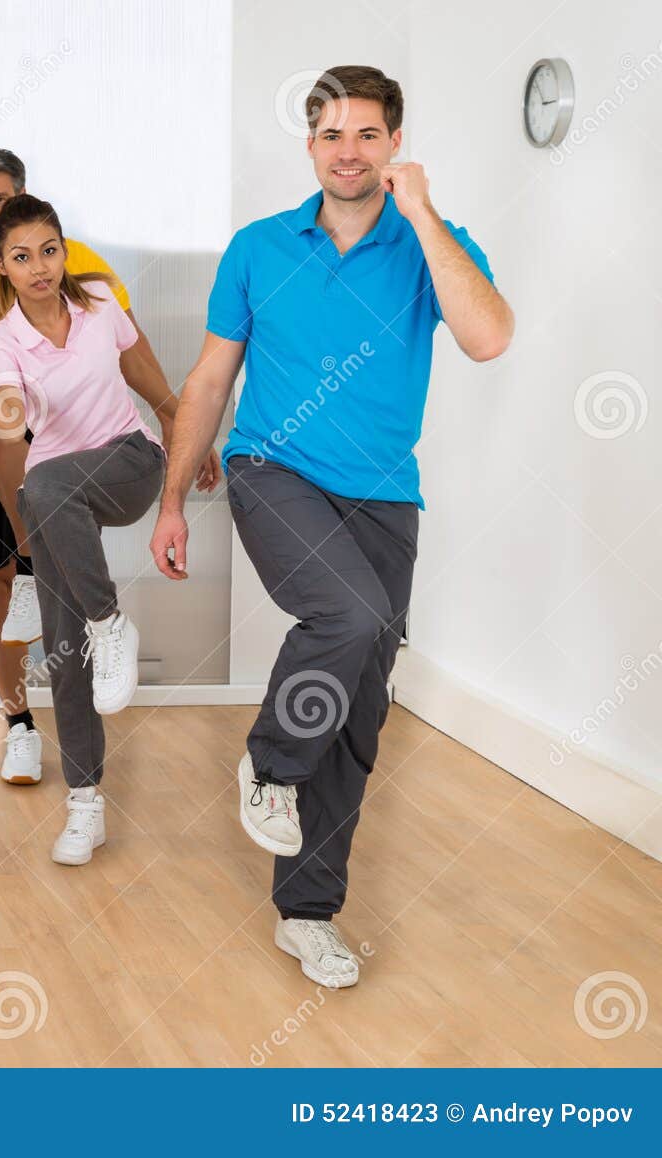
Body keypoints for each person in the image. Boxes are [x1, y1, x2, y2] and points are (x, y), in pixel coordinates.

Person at [151, 66, 512, 988]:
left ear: (394, 144)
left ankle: (307, 912)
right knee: (346, 617)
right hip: (273, 468)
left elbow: (488, 336)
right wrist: (169, 498)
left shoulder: (432, 245)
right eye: (331, 135)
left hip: (387, 493)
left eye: (366, 135)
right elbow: (207, 379)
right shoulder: (260, 247)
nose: (348, 151)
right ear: (308, 145)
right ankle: (269, 765)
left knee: (359, 706)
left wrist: (425, 217)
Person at [0, 194, 219, 865]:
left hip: (130, 464)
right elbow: (3, 415)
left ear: (63, 249)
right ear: (2, 266)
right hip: (57, 502)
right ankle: (86, 803)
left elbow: (146, 376)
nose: (40, 268)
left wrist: (188, 432)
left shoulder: (101, 306)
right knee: (61, 644)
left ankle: (110, 623)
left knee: (44, 484)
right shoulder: (1, 342)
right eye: (21, 257)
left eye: (49, 251)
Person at [0, 148, 170, 785]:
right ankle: (20, 728)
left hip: (91, 453)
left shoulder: (81, 269)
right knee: (3, 584)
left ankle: (101, 625)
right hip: (6, 444)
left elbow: (130, 352)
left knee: (48, 502)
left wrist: (173, 419)